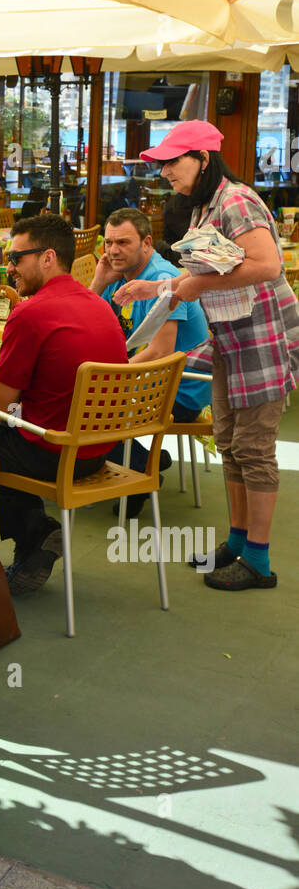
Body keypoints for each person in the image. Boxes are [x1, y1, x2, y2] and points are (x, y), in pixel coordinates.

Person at [113, 119, 299, 592]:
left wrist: (194, 284)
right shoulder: (205, 205)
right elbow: (207, 269)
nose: (165, 172)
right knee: (231, 445)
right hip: (229, 340)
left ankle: (258, 561)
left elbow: (267, 264)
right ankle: (238, 542)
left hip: (260, 339)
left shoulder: (235, 201)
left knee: (254, 450)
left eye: (172, 162)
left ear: (202, 158)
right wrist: (156, 288)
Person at [0, 214, 128, 595]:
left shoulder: (30, 313)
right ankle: (33, 534)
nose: (9, 267)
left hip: (57, 454)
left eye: (16, 258)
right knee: (8, 438)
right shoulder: (100, 306)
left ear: (48, 257)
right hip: (99, 450)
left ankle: (28, 533)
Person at [90, 207, 211, 516]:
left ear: (146, 243)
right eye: (108, 243)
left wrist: (101, 379)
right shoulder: (119, 276)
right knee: (75, 396)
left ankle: (140, 466)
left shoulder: (162, 279)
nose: (113, 250)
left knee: (82, 406)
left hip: (180, 390)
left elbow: (161, 353)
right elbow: (87, 325)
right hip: (150, 382)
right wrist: (98, 282)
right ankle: (142, 460)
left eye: (123, 242)